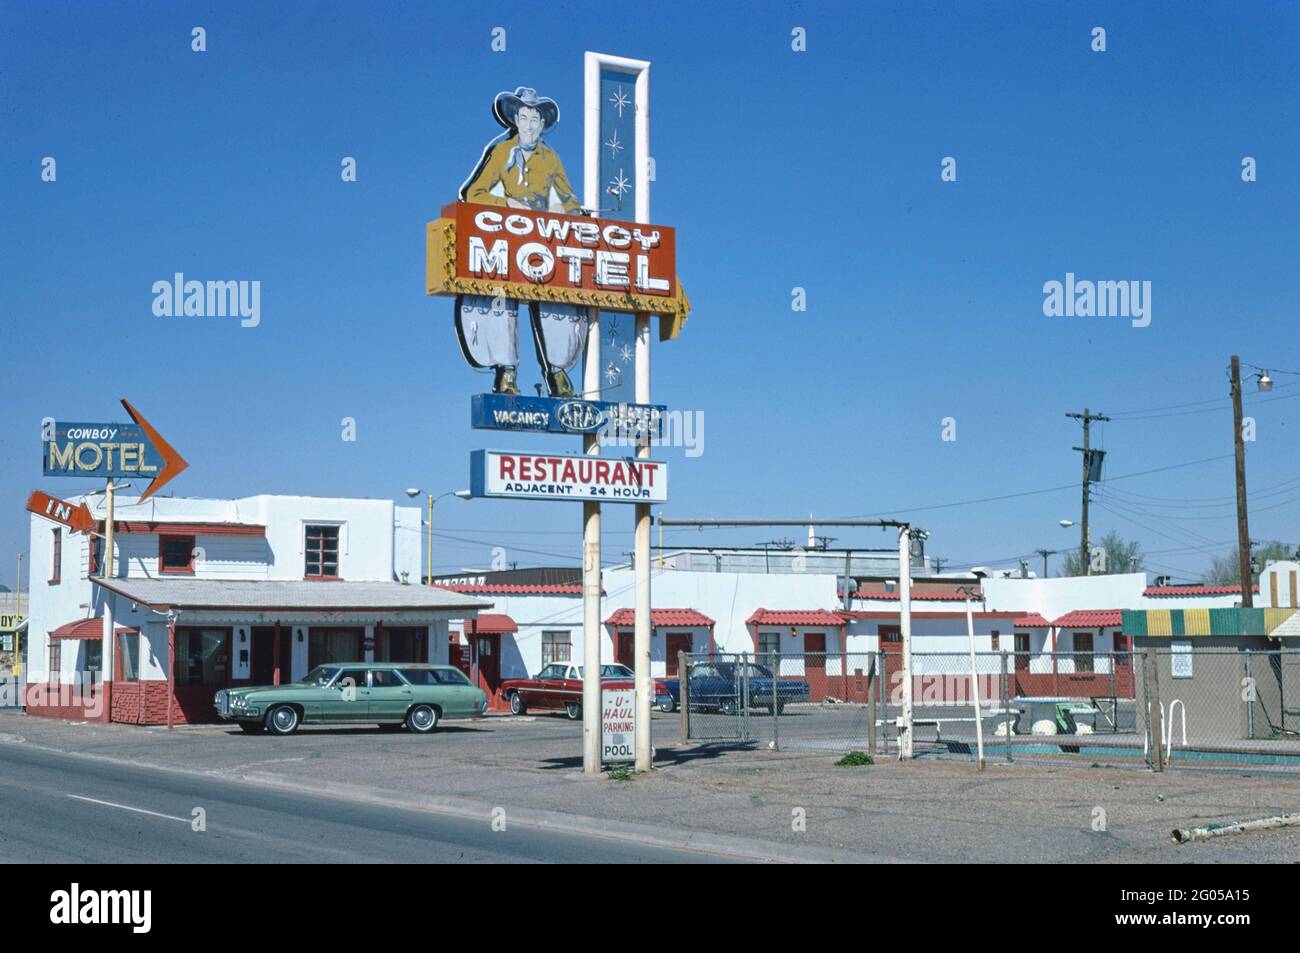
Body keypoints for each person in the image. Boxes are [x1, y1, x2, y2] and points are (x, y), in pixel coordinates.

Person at [454, 87, 590, 396]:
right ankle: (506, 372)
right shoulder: (501, 153)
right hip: (506, 238)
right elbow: (474, 194)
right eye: (524, 117)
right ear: (516, 120)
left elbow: (569, 198)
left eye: (535, 119)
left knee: (559, 301)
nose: (529, 125)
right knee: (499, 298)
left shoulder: (551, 158)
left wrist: (563, 209)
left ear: (542, 124)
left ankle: (558, 373)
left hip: (543, 242)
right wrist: (508, 206)